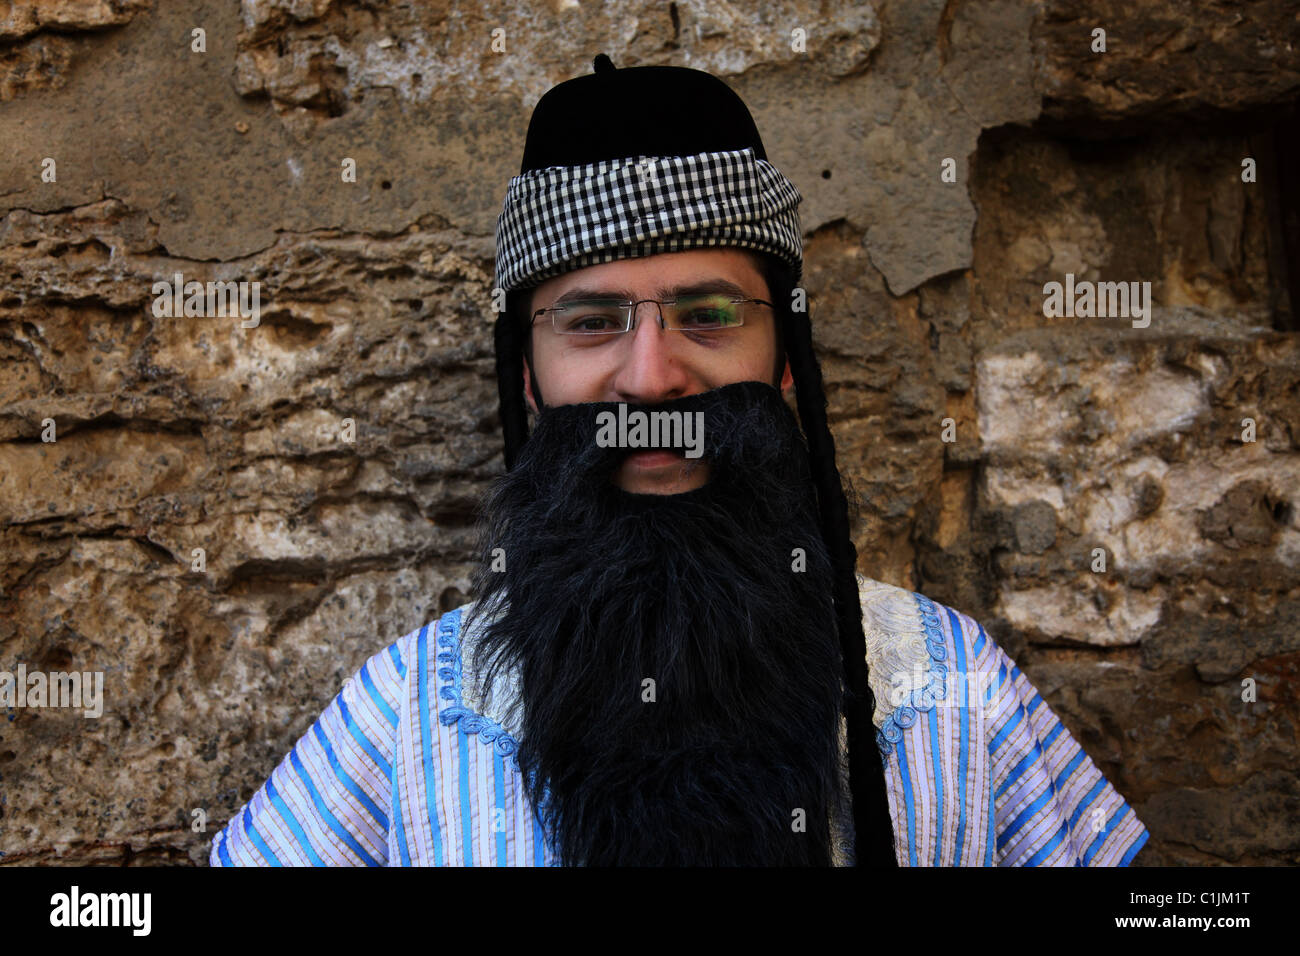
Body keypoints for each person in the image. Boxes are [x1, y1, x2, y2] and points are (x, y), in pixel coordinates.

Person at [210, 55, 1150, 867]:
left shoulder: (952, 688)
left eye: (707, 317)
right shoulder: (409, 714)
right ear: (531, 384)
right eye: (591, 323)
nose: (653, 383)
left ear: (784, 367)